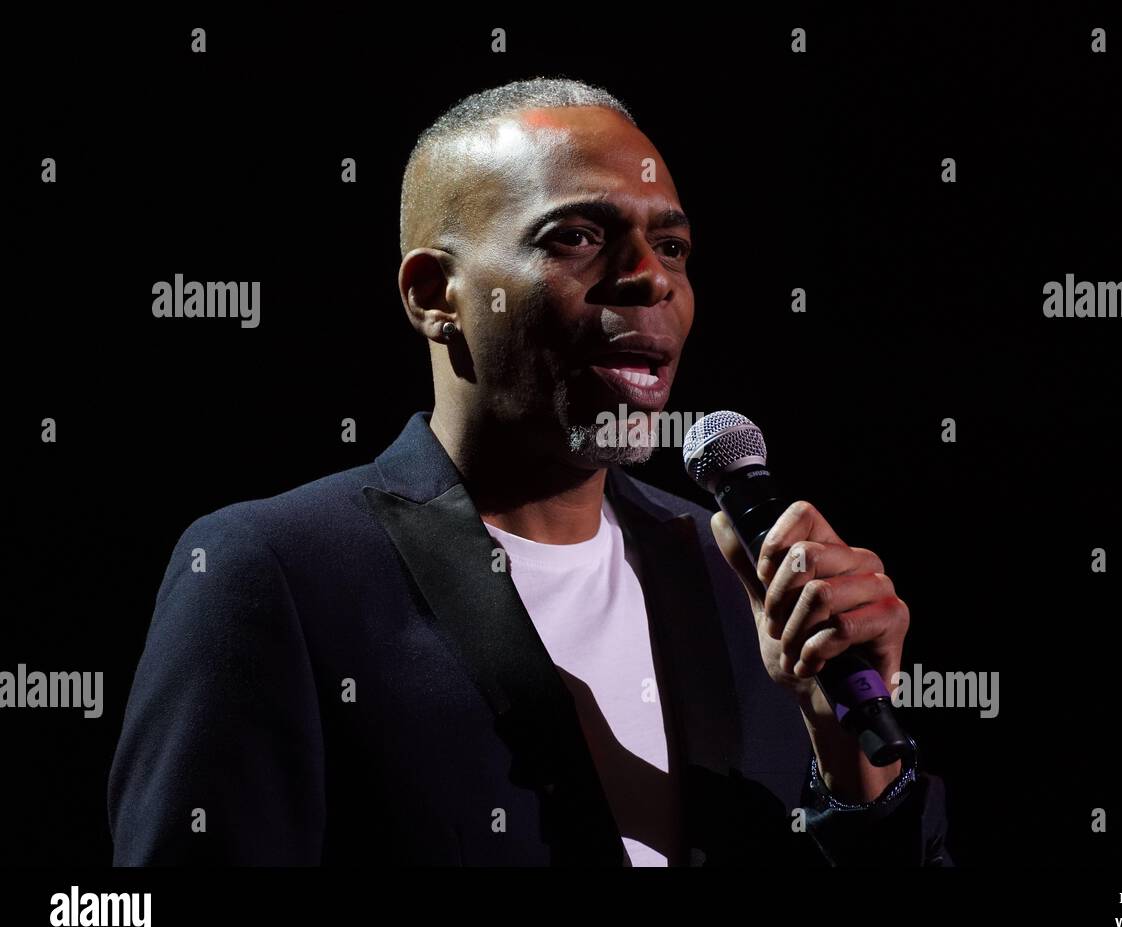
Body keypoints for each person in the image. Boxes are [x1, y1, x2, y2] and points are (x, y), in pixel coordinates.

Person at [108, 77, 952, 866]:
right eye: (578, 237)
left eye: (672, 244)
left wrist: (846, 751)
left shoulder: (738, 574)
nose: (648, 277)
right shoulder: (272, 572)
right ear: (435, 294)